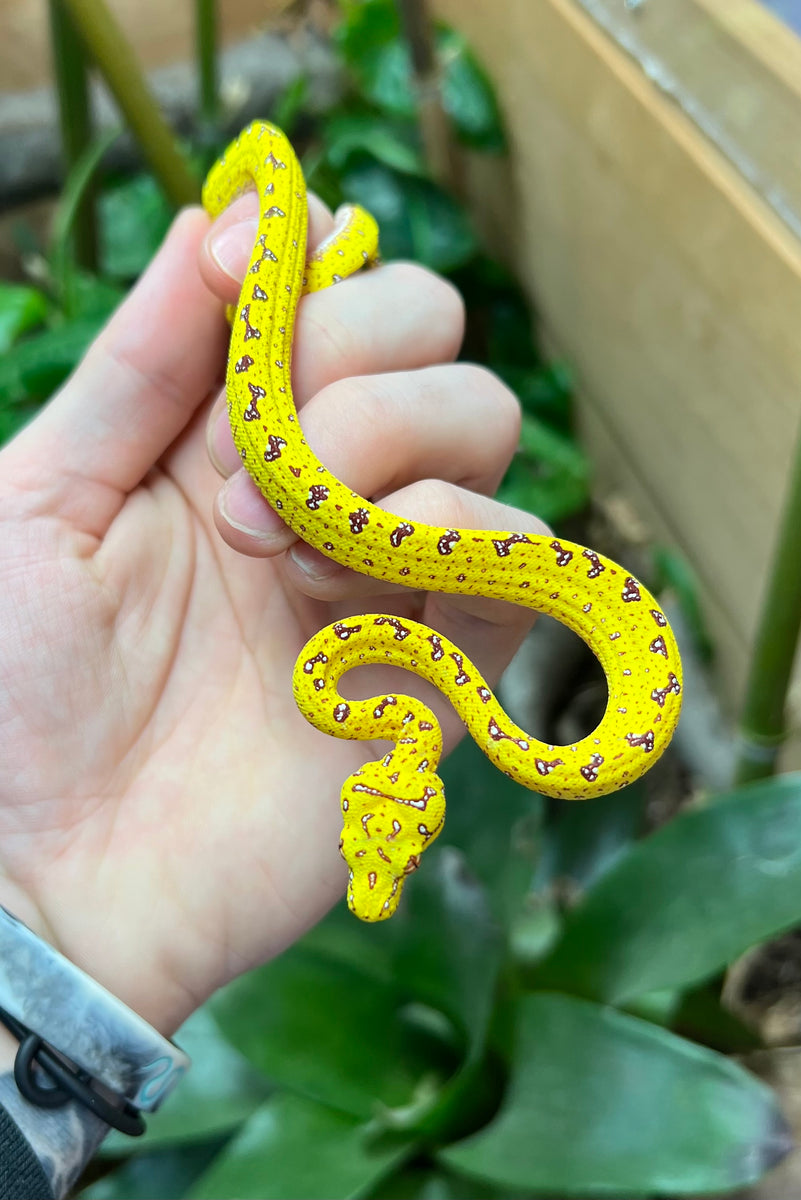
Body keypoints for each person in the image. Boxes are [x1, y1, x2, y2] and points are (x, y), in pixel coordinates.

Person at [0, 184, 549, 1196]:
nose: (367, 875)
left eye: (368, 853)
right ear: (400, 800)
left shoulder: (378, 701)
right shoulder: (384, 699)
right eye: (379, 852)